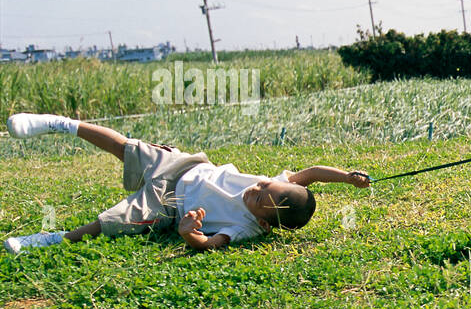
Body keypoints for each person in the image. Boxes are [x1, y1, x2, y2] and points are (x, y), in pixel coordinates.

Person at [4, 112, 370, 254]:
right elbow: (311, 173)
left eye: (259, 199)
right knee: (125, 146)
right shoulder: (275, 186)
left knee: (109, 224)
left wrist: (187, 232)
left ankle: (51, 239)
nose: (255, 190)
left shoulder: (245, 228)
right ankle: (60, 123)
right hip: (183, 165)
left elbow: (210, 244)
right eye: (263, 185)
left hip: (168, 204)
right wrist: (347, 177)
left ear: (261, 222)